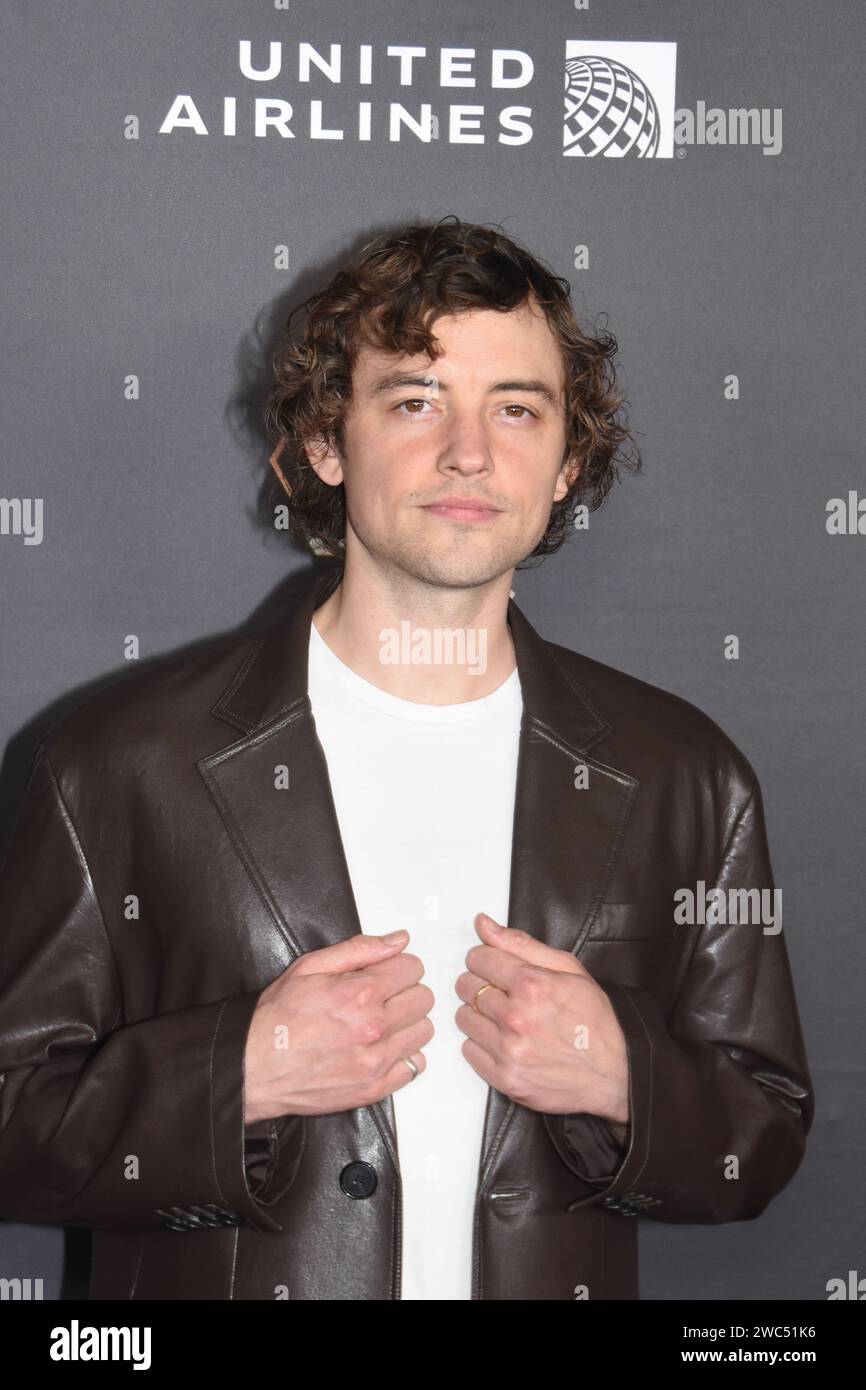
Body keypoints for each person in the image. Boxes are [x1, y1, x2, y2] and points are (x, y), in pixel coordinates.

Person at [0, 217, 814, 1300]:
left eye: (516, 409)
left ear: (567, 460)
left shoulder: (685, 775)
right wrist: (231, 1073)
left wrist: (630, 1082)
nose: (468, 452)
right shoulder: (119, 760)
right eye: (416, 400)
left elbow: (758, 1134)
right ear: (326, 443)